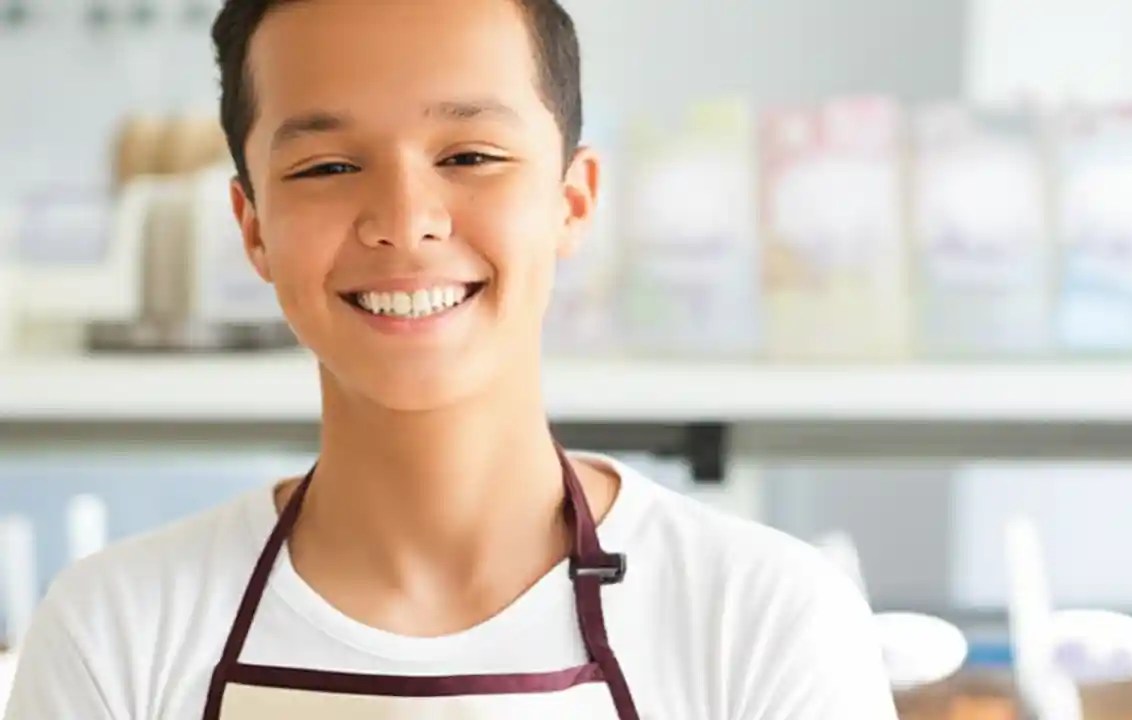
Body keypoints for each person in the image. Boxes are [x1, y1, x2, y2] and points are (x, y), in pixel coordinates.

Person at [4, 1, 898, 717]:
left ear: (573, 203)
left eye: (469, 155)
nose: (403, 216)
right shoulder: (114, 634)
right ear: (253, 230)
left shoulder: (766, 622)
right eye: (325, 167)